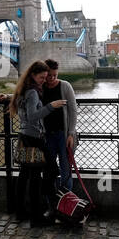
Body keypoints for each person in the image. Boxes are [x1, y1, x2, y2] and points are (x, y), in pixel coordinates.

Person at [5, 60, 66, 226]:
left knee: (24, 175)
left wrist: (7, 97)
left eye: (45, 77)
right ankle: (37, 217)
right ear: (32, 75)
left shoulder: (22, 89)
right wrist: (51, 106)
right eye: (41, 77)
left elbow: (22, 105)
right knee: (40, 175)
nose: (44, 80)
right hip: (35, 138)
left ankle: (21, 213)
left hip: (24, 136)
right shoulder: (33, 92)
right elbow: (33, 115)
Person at [41, 59, 79, 194]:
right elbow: (25, 96)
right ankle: (51, 201)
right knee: (48, 169)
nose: (51, 78)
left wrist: (70, 133)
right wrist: (9, 97)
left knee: (66, 168)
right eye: (49, 76)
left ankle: (66, 200)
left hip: (64, 135)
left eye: (55, 75)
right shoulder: (40, 88)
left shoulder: (65, 86)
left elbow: (73, 111)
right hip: (47, 136)